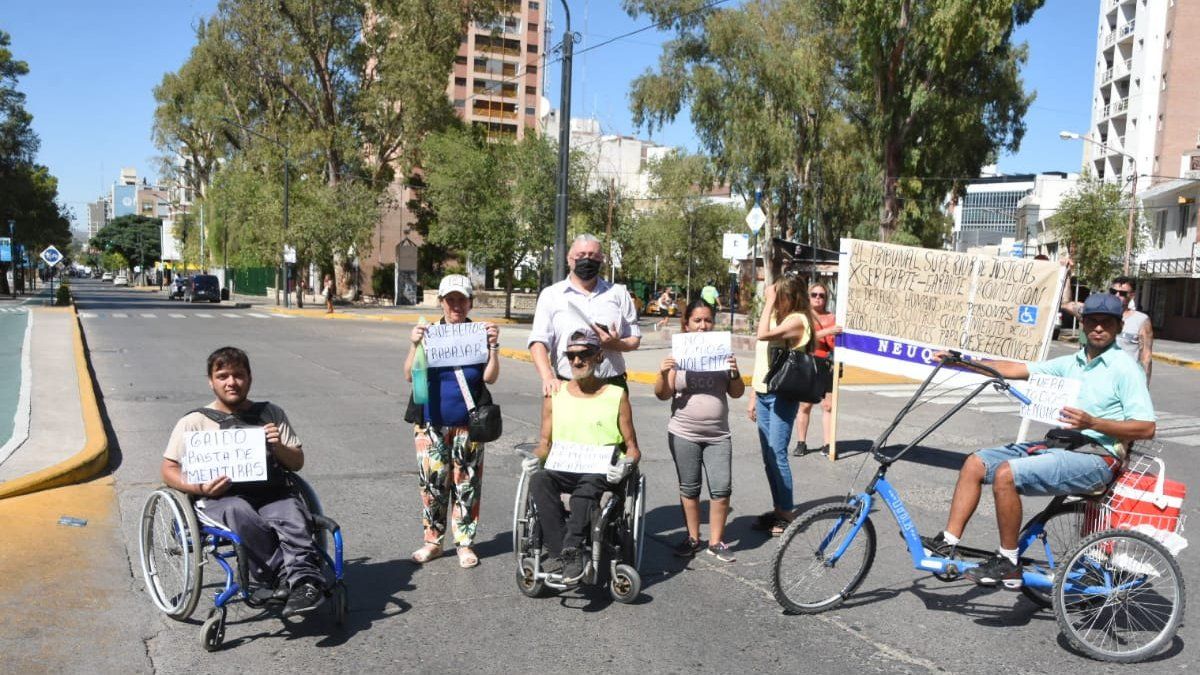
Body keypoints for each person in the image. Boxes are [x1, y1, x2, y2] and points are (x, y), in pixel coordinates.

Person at [927, 292, 1156, 588]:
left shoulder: (1126, 369)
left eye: (1107, 322)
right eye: (1093, 321)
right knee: (976, 463)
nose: (1099, 328)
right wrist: (963, 362)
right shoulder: (1072, 363)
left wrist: (1094, 423)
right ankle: (948, 541)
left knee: (1007, 475)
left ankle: (1008, 561)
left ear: (1117, 327)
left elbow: (1147, 427)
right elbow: (1018, 369)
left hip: (1098, 457)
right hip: (1063, 445)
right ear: (1083, 323)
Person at [159, 347, 325, 617]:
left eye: (238, 375)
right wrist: (198, 488)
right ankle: (279, 577)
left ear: (249, 378)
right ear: (211, 381)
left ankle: (304, 581)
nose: (231, 382)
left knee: (292, 512)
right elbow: (168, 469)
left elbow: (296, 463)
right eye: (222, 375)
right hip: (220, 498)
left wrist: (278, 445)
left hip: (270, 493)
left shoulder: (271, 414)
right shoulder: (195, 421)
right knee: (239, 512)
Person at [526, 329, 642, 583]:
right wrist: (535, 458)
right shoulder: (555, 394)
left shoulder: (616, 395)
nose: (577, 361)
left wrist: (625, 464)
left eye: (585, 354)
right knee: (538, 481)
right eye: (571, 356)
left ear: (599, 356)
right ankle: (567, 552)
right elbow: (544, 443)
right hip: (564, 466)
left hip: (599, 470)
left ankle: (571, 549)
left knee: (585, 492)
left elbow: (633, 447)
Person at [403, 274, 500, 569]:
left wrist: (494, 348)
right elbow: (409, 374)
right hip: (431, 422)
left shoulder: (479, 334)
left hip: (468, 424)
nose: (456, 305)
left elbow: (490, 377)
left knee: (467, 483)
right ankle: (433, 541)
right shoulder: (429, 332)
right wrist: (413, 344)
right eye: (450, 300)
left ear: (470, 302)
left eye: (462, 299)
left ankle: (465, 543)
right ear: (442, 303)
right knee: (432, 484)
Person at [655, 299, 744, 562]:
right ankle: (692, 538)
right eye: (697, 321)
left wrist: (735, 373)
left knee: (721, 488)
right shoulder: (678, 355)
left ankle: (716, 542)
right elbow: (662, 394)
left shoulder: (722, 353)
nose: (703, 326)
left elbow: (736, 393)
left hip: (718, 435)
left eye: (707, 320)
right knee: (689, 487)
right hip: (683, 432)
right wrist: (663, 373)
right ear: (687, 324)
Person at [746, 275, 817, 535]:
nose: (775, 298)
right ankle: (778, 509)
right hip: (765, 392)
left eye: (779, 295)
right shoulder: (780, 317)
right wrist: (753, 395)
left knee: (777, 455)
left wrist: (768, 302)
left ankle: (786, 514)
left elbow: (762, 334)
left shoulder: (797, 320)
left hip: (782, 395)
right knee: (768, 457)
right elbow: (762, 358)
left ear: (791, 296)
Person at [529, 234, 641, 395]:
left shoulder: (618, 293)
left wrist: (615, 344)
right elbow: (538, 341)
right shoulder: (551, 295)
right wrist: (548, 377)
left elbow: (634, 339)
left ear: (601, 259)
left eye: (593, 256)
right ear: (569, 259)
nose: (587, 260)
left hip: (611, 385)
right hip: (567, 385)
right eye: (581, 255)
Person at [1065, 275, 1153, 383]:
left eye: (1122, 293)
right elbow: (1066, 304)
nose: (1117, 295)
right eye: (1113, 291)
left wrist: (1144, 387)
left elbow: (1146, 357)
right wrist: (1067, 274)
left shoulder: (1141, 320)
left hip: (1122, 381)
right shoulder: (1092, 312)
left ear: (1132, 295)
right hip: (1092, 378)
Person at [793, 281, 842, 456]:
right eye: (814, 294)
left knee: (828, 406)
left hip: (828, 365)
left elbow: (836, 345)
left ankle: (828, 444)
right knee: (805, 405)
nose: (818, 298)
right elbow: (803, 339)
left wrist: (835, 339)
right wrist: (828, 332)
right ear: (808, 297)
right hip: (808, 363)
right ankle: (801, 442)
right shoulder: (803, 317)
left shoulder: (833, 318)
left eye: (822, 295)